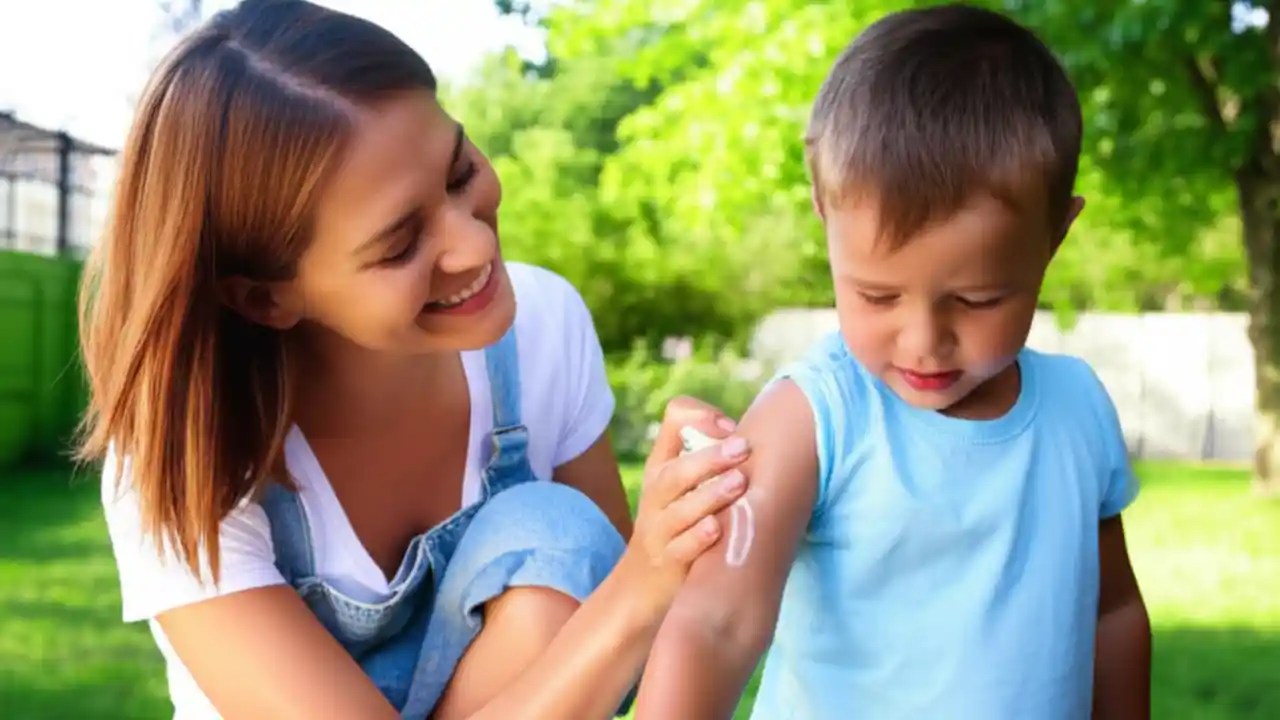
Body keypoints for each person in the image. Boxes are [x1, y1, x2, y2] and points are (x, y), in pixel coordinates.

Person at [78, 1, 751, 718]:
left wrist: (685, 526)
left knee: (559, 529)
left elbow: (612, 654)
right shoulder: (185, 458)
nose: (474, 247)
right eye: (399, 245)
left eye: (460, 173)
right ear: (264, 298)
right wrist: (642, 584)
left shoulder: (544, 327)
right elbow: (624, 610)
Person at [633, 5, 1152, 719]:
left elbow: (1113, 612)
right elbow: (714, 626)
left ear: (1054, 235)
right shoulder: (813, 418)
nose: (922, 341)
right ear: (824, 212)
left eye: (976, 299)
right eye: (877, 295)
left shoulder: (1079, 409)